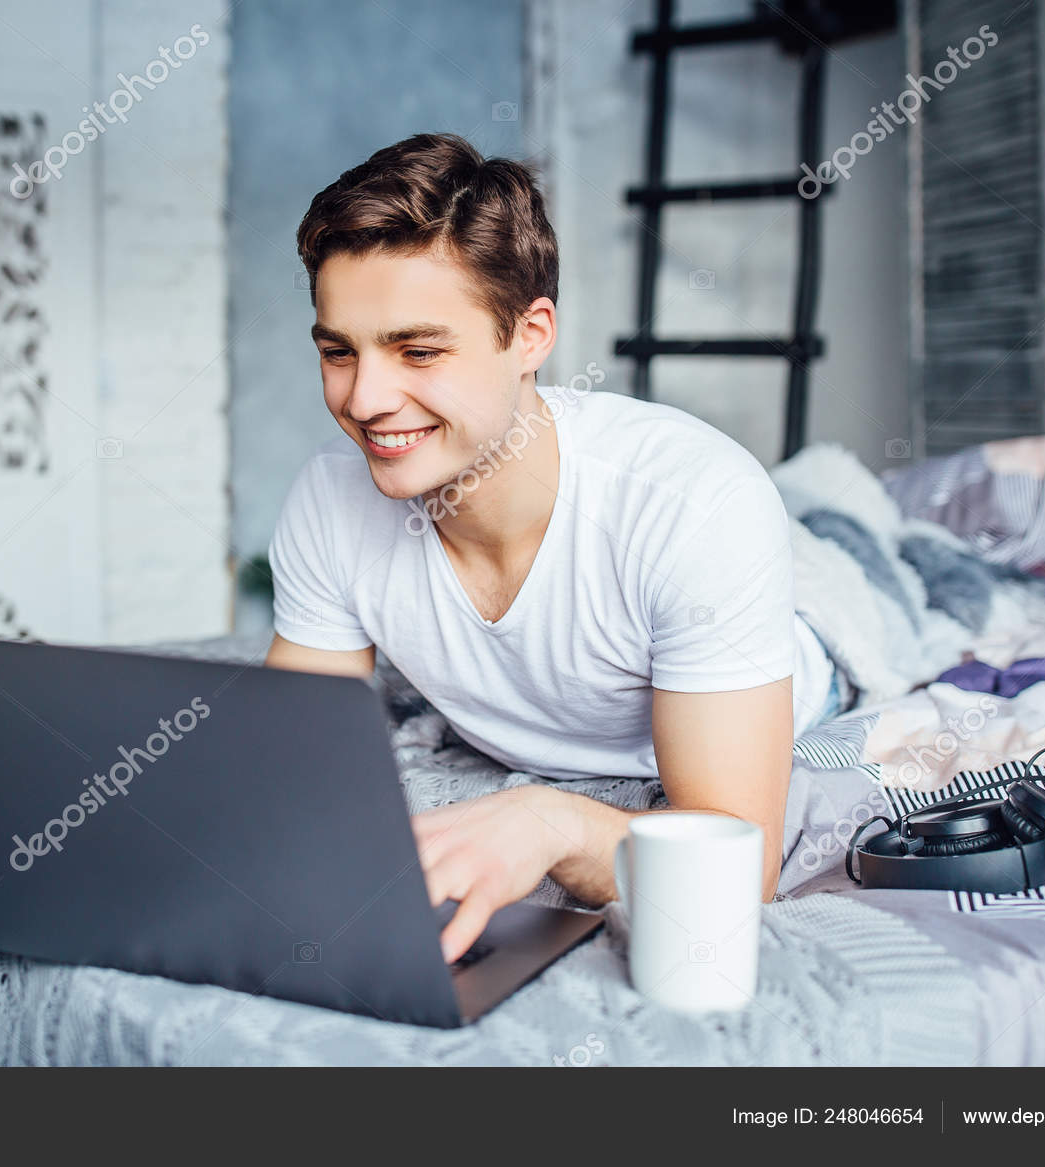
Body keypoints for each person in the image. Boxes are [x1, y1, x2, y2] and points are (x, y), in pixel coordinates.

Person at [265, 132, 841, 964]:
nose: (366, 399)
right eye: (337, 352)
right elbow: (285, 761)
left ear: (531, 335)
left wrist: (552, 821)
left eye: (418, 350)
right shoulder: (328, 499)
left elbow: (737, 867)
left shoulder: (696, 505)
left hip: (810, 638)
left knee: (864, 557)